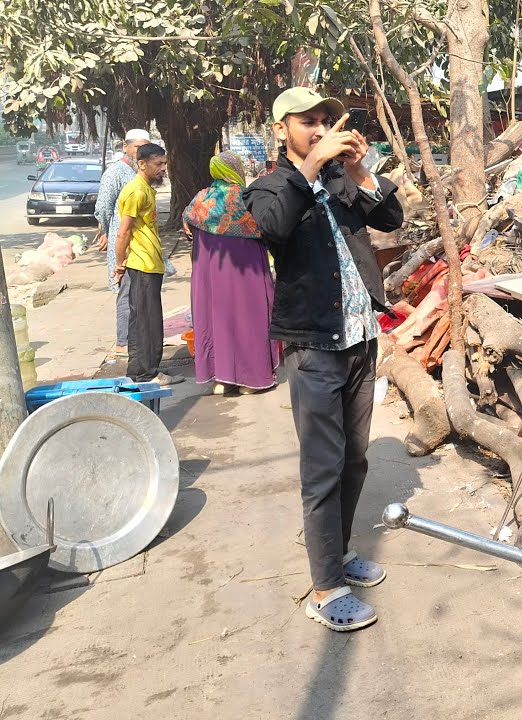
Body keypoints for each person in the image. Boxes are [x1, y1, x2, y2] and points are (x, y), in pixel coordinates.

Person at [244, 87, 403, 632]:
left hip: (360, 339)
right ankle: (325, 587)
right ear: (281, 128)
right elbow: (274, 227)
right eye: (307, 120)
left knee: (355, 459)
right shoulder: (270, 186)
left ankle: (337, 555)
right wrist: (310, 168)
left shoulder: (340, 180)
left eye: (324, 119)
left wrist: (360, 172)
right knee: (322, 470)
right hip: (314, 345)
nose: (319, 127)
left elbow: (391, 215)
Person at [182, 151, 279, 395]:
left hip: (210, 277)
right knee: (250, 318)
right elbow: (271, 229)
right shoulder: (248, 198)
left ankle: (222, 379)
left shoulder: (200, 200)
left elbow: (187, 227)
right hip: (248, 273)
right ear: (235, 169)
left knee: (217, 320)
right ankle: (252, 380)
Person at [113, 143, 184, 387]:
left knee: (148, 321)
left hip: (150, 265)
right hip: (141, 265)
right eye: (159, 164)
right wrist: (119, 264)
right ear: (142, 164)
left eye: (165, 164)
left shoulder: (146, 189)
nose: (163, 169)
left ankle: (144, 370)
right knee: (146, 321)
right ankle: (145, 374)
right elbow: (123, 232)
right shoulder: (136, 191)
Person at [96, 128, 152, 357]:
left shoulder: (141, 172)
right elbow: (103, 207)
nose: (141, 152)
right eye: (138, 147)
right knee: (126, 293)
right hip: (124, 242)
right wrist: (105, 232)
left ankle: (139, 338)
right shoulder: (116, 173)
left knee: (141, 294)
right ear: (126, 147)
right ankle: (123, 342)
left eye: (145, 148)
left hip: (141, 245)